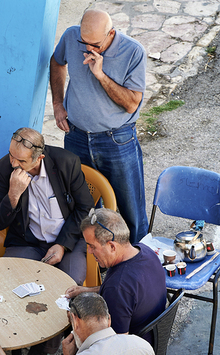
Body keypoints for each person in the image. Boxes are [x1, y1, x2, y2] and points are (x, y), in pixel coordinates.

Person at [30, 208, 165, 355]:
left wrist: (70, 354)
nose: (90, 252)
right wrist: (87, 290)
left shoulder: (118, 288)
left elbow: (113, 353)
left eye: (92, 247)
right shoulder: (144, 252)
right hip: (152, 343)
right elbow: (126, 291)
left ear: (111, 246)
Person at [50, 8, 149, 242]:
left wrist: (101, 75)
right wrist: (57, 103)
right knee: (80, 207)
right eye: (84, 43)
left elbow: (132, 104)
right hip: (76, 137)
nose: (88, 49)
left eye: (95, 44)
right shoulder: (71, 37)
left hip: (116, 141)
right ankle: (92, 262)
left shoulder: (133, 52)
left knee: (130, 210)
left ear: (111, 34)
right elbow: (56, 63)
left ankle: (139, 264)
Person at [0, 127, 93, 285]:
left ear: (39, 158)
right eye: (11, 155)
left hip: (68, 237)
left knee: (70, 282)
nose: (14, 164)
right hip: (27, 241)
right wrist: (13, 195)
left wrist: (63, 244)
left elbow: (86, 208)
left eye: (22, 161)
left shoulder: (66, 163)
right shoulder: (3, 169)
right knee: (11, 281)